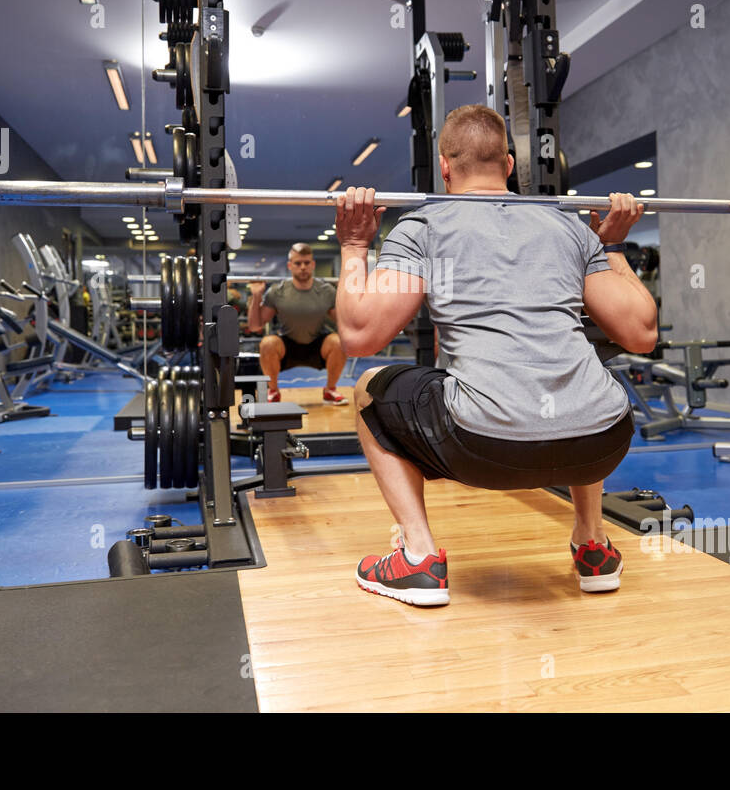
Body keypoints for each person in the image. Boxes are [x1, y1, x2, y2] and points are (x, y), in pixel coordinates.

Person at [333, 104, 659, 606]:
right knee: (582, 377)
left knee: (367, 388)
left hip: (484, 448)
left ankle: (418, 558)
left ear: (444, 168)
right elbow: (641, 333)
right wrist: (612, 246)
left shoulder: (423, 227)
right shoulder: (571, 228)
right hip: (603, 440)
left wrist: (355, 246)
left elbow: (358, 336)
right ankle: (593, 544)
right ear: (509, 165)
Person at [246, 244, 348, 404]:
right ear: (290, 265)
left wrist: (347, 295)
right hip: (287, 345)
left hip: (317, 345)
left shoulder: (326, 291)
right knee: (268, 343)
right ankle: (273, 391)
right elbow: (255, 326)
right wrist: (257, 296)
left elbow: (344, 322)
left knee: (339, 342)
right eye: (298, 263)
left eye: (307, 263)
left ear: (313, 264)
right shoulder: (277, 291)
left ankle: (330, 390)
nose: (303, 267)